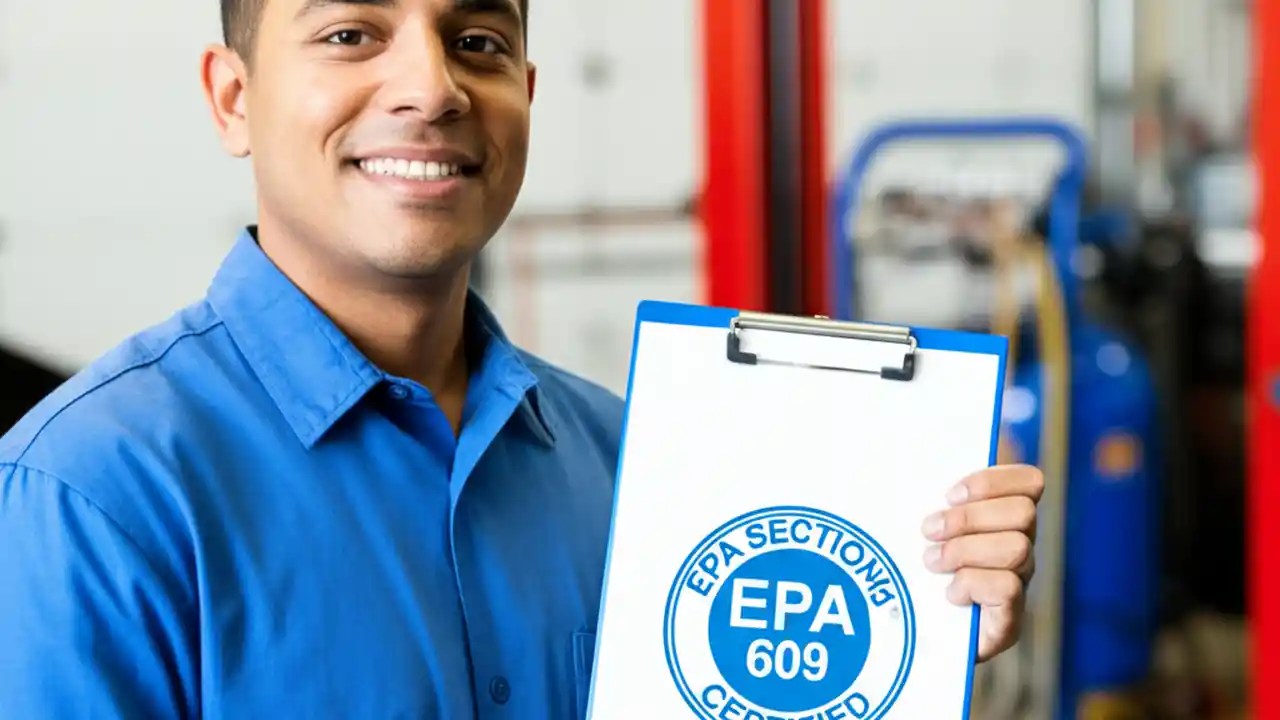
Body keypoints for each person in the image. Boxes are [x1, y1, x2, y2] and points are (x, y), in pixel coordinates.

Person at [0, 0, 1045, 717]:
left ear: (526, 91)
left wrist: (901, 639)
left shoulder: (633, 462)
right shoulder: (91, 493)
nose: (431, 85)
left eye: (478, 41)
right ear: (233, 98)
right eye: (353, 32)